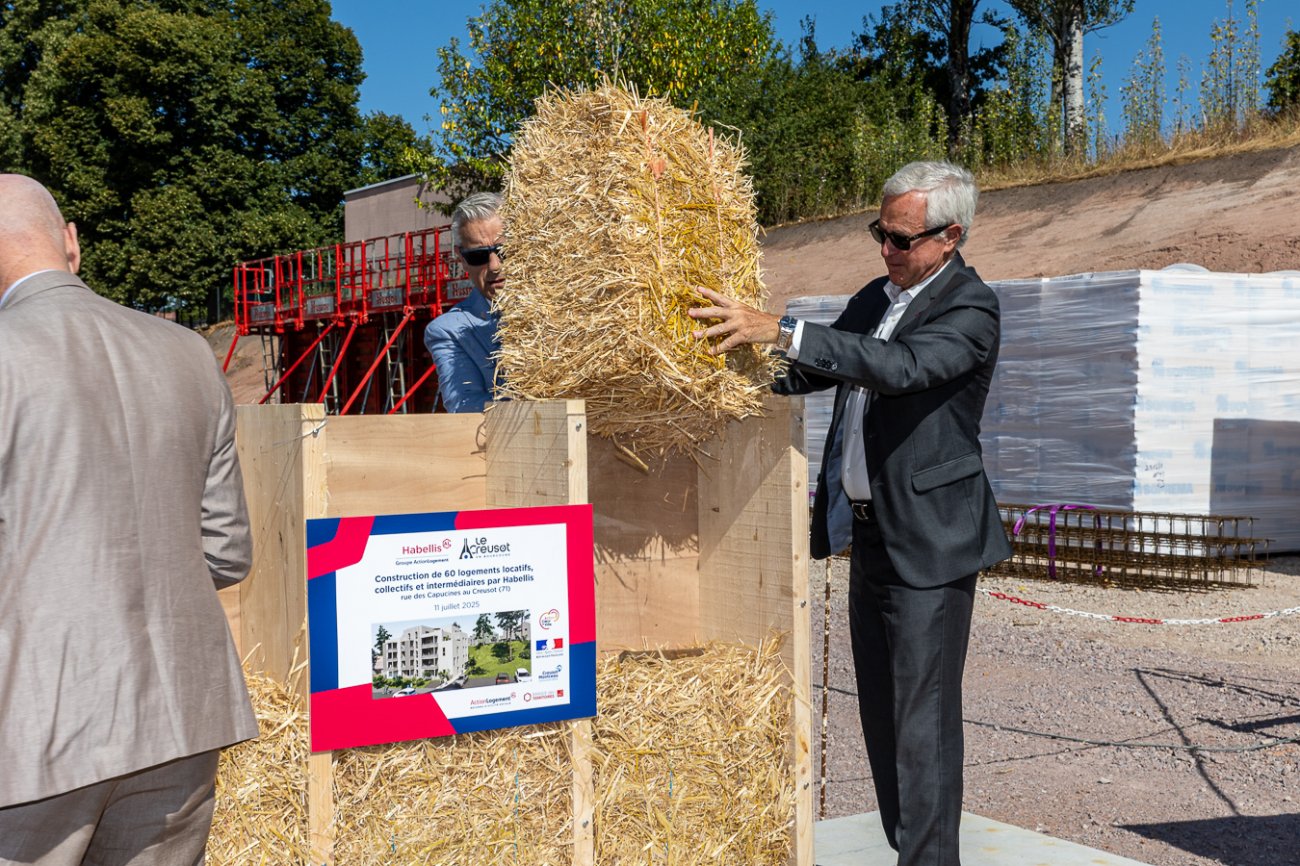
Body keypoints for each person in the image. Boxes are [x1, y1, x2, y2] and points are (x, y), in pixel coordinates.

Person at [689, 160, 1011, 866]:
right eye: (879, 234)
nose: (887, 251)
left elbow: (899, 368)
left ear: (951, 235)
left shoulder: (970, 307)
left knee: (921, 724)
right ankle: (909, 848)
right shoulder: (879, 293)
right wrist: (715, 353)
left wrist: (783, 327)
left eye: (901, 239)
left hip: (930, 543)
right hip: (870, 536)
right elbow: (814, 369)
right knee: (882, 718)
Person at [0, 175, 257, 865]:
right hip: (180, 713)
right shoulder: (189, 355)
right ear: (72, 243)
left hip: (28, 731)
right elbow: (227, 552)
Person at [424, 191, 505, 412]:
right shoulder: (448, 331)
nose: (494, 265)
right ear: (462, 259)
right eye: (478, 256)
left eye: (505, 250)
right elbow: (466, 408)